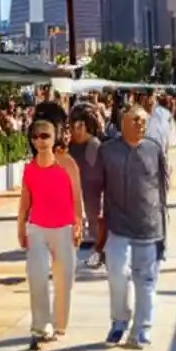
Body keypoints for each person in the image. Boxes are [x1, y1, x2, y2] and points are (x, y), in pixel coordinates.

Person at [95, 105, 169, 349]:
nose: (140, 124)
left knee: (146, 280)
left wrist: (164, 230)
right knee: (117, 273)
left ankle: (142, 329)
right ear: (123, 121)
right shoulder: (107, 151)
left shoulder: (154, 149)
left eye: (143, 120)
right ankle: (119, 321)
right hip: (118, 226)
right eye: (135, 119)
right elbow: (96, 186)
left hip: (149, 226)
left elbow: (162, 190)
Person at [17, 118, 82, 350]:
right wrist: (20, 227)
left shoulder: (67, 164)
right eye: (36, 136)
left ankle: (59, 323)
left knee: (64, 278)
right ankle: (40, 325)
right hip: (37, 229)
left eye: (46, 136)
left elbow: (77, 197)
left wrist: (78, 224)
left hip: (64, 229)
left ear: (55, 138)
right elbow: (25, 202)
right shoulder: (29, 168)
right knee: (37, 275)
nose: (41, 141)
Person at [68, 103, 106, 269]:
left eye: (80, 126)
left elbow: (98, 173)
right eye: (73, 126)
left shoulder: (93, 145)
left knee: (95, 222)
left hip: (94, 193)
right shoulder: (72, 146)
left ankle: (100, 253)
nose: (76, 130)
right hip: (80, 192)